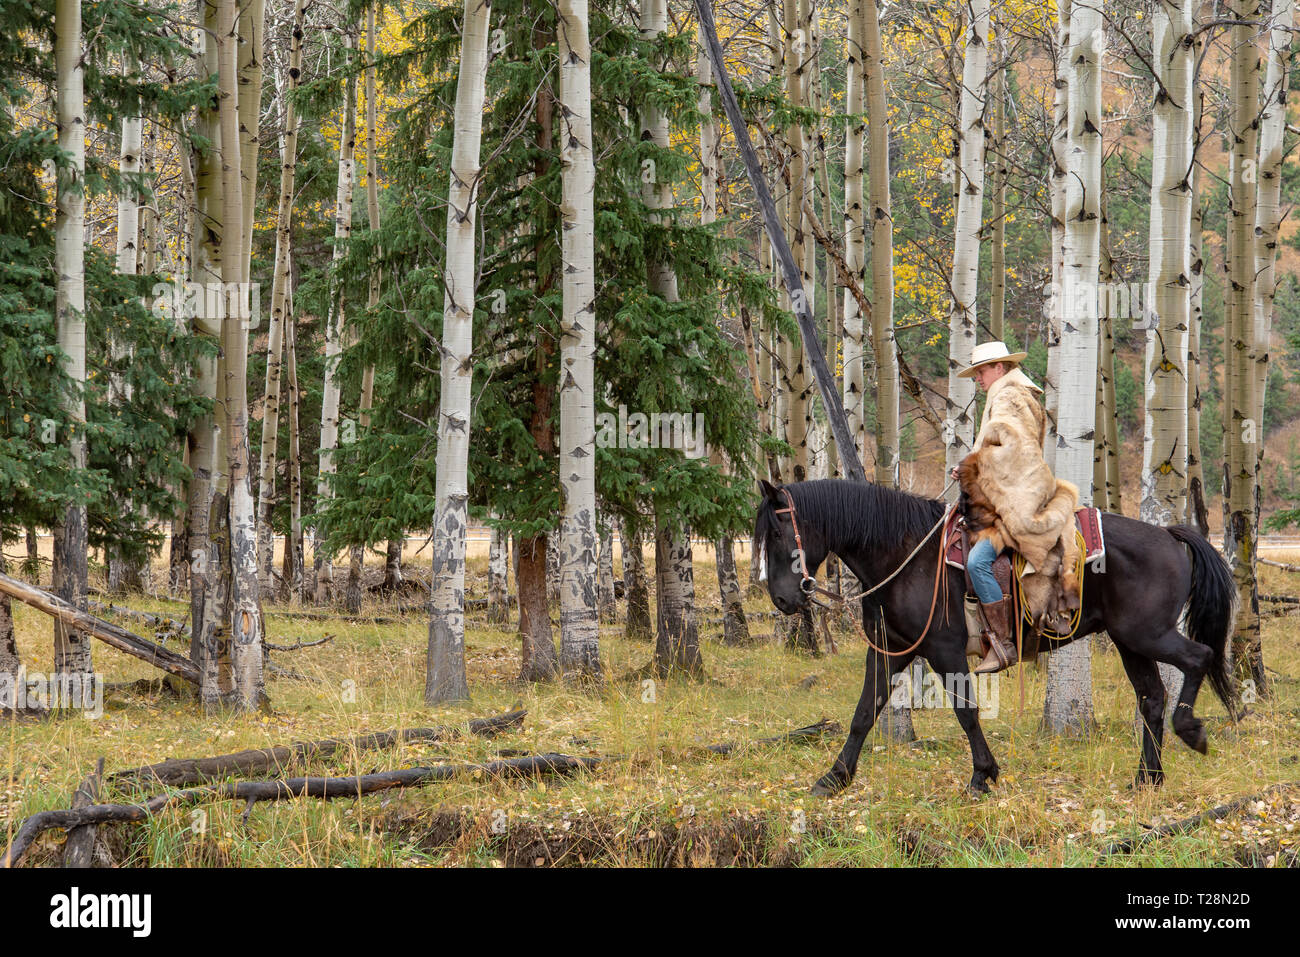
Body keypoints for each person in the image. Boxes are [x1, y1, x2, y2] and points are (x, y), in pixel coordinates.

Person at [950, 341, 1079, 674]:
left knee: (978, 562)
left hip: (1018, 501)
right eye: (977, 372)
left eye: (981, 371)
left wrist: (972, 468)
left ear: (999, 368)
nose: (978, 378)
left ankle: (1002, 643)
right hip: (1011, 493)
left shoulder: (1008, 398)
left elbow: (1009, 450)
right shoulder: (1011, 396)